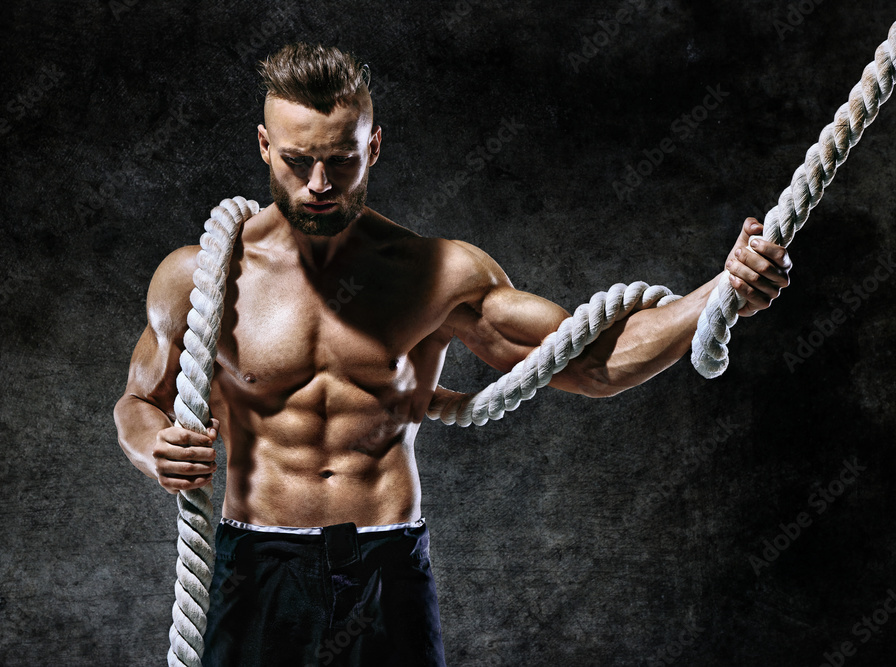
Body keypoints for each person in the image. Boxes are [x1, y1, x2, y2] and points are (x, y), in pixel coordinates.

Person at [114, 42, 791, 666]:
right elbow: (139, 401)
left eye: (341, 159)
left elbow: (593, 363)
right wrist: (154, 446)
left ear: (373, 148)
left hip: (383, 564)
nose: (319, 182)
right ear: (265, 147)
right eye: (297, 160)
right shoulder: (198, 277)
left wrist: (723, 288)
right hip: (255, 562)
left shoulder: (437, 275)